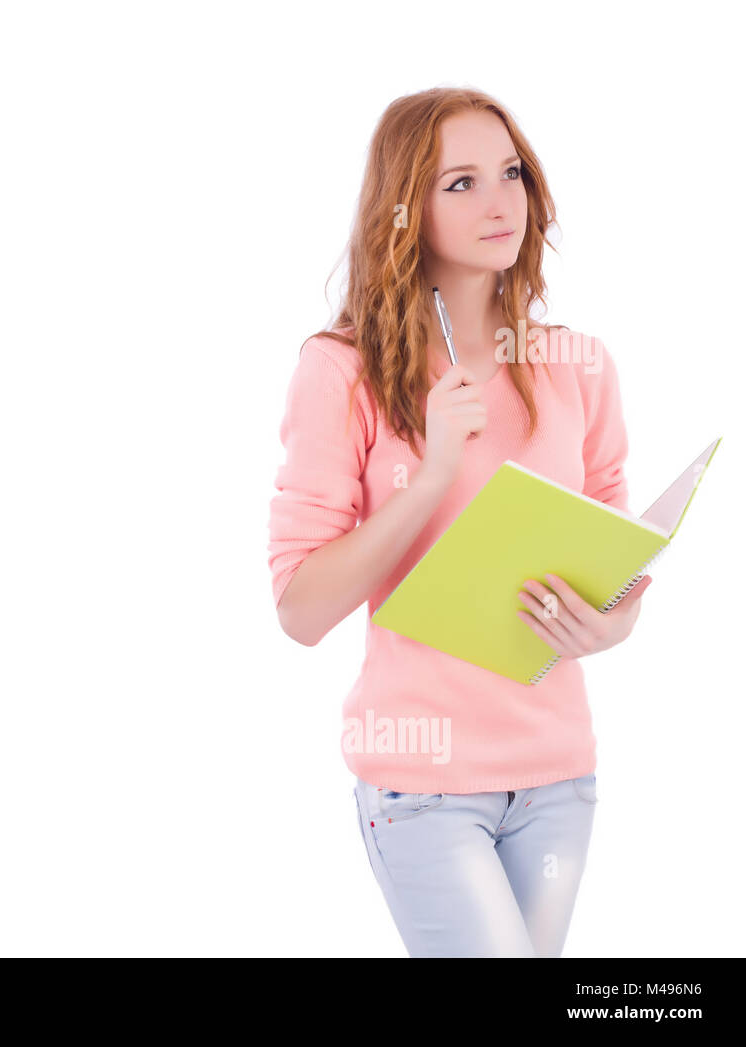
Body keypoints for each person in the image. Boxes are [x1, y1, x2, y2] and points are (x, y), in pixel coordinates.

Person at [267, 87, 651, 957]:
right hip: (423, 788)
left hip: (560, 777)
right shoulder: (342, 372)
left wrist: (612, 620)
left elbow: (622, 565)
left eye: (511, 173)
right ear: (405, 211)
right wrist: (432, 472)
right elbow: (298, 607)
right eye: (461, 182)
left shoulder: (576, 367)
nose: (500, 201)